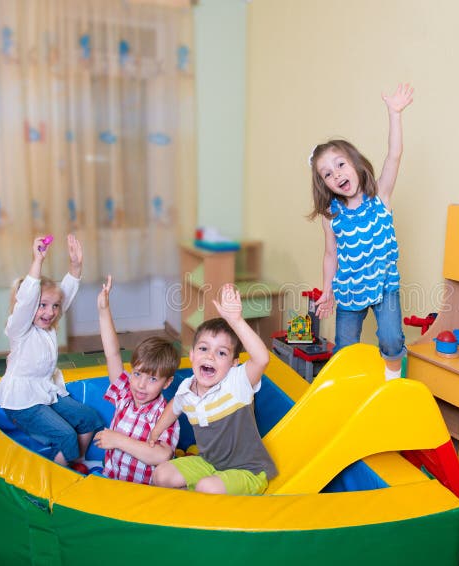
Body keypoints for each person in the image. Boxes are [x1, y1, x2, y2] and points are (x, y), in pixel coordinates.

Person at [308, 83, 414, 380]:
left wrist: (394, 113)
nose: (337, 174)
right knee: (344, 349)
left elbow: (394, 155)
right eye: (327, 174)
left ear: (355, 164)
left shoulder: (381, 195)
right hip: (349, 287)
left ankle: (391, 385)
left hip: (384, 283)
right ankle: (347, 389)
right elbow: (331, 254)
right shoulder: (332, 215)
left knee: (392, 339)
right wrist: (327, 288)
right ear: (324, 184)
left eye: (340, 164)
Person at [149, 283, 278, 495]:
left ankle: (206, 501)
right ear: (191, 355)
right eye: (203, 348)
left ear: (234, 362)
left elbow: (262, 358)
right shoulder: (186, 388)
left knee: (206, 487)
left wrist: (236, 320)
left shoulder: (237, 383)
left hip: (248, 471)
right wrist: (156, 431)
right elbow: (175, 406)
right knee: (161, 475)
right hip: (211, 464)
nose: (209, 356)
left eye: (221, 353)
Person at [0, 234, 103, 474]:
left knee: (90, 419)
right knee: (66, 435)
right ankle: (59, 476)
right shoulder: (19, 328)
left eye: (54, 306)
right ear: (30, 305)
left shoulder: (49, 326)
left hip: (45, 390)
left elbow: (68, 292)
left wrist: (75, 265)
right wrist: (38, 261)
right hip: (22, 401)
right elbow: (27, 300)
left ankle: (77, 461)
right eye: (43, 305)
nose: (50, 312)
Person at [92, 275, 181, 484]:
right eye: (137, 374)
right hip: (113, 481)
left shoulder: (165, 414)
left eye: (152, 379)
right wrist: (104, 311)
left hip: (142, 496)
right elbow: (112, 353)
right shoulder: (124, 392)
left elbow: (162, 455)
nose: (140, 385)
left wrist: (118, 440)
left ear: (166, 383)